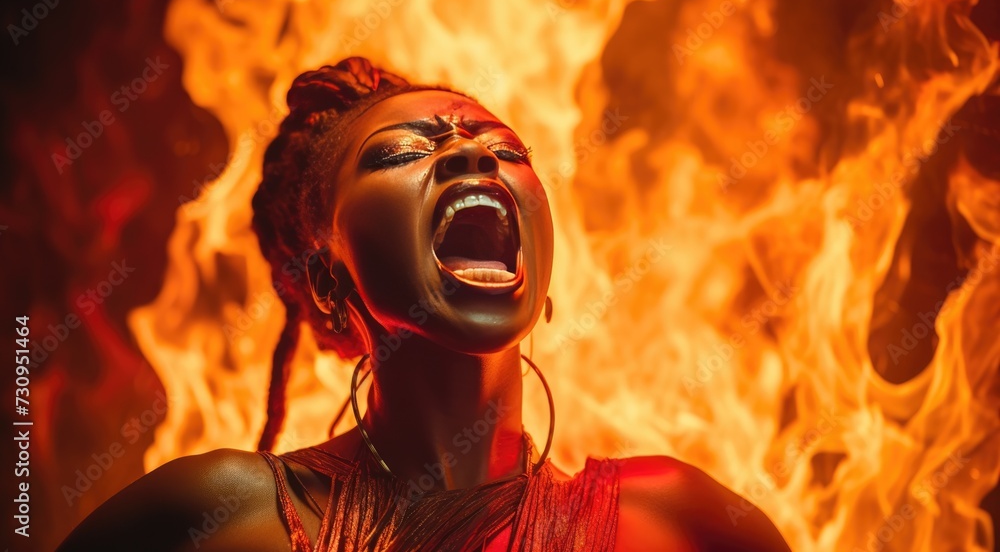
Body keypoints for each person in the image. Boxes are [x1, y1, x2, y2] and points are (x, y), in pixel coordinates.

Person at [58, 57, 791, 551]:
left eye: (503, 148)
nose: (472, 157)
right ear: (326, 280)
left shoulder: (676, 522)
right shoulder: (222, 517)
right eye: (402, 154)